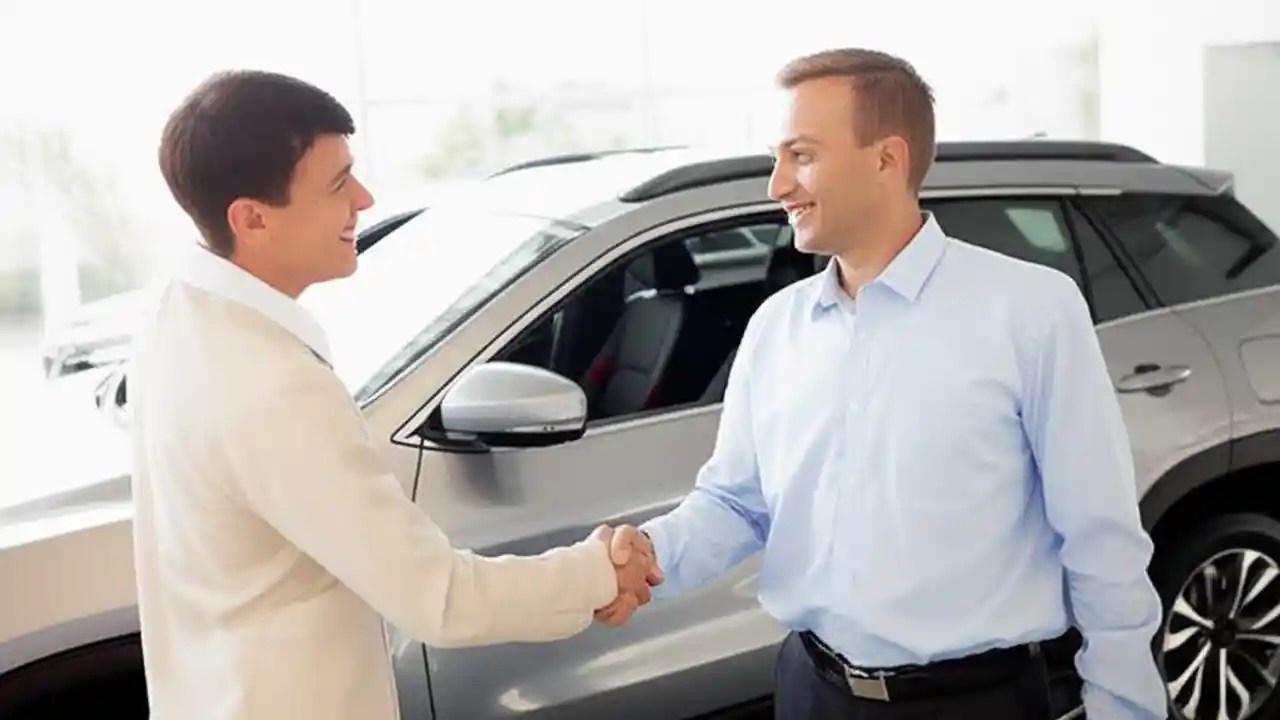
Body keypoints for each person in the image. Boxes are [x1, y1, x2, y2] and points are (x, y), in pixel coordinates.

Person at [601, 48, 1169, 719]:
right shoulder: (776, 328)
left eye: (801, 155)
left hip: (972, 704)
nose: (776, 185)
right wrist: (649, 554)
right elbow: (737, 503)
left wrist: (1125, 708)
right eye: (775, 158)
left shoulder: (1032, 311)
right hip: (810, 691)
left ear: (886, 159)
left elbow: (1099, 537)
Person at [128, 70, 657, 720]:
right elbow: (439, 597)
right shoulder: (273, 385)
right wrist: (598, 571)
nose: (365, 198)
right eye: (336, 183)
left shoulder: (175, 317)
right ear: (252, 218)